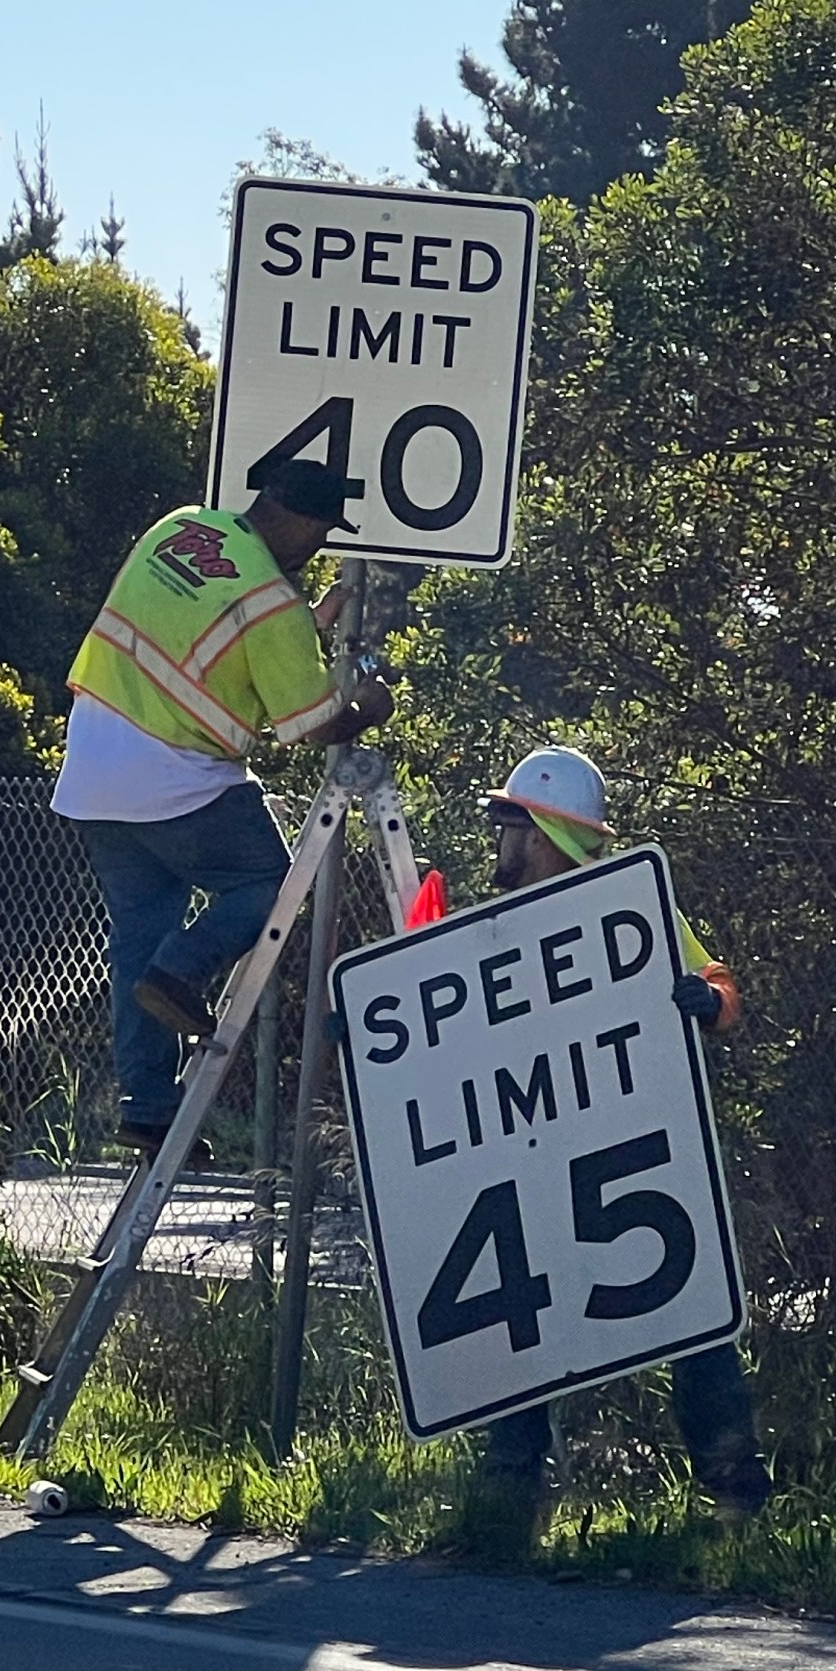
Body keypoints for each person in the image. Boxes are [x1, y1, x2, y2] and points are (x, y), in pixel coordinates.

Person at [462, 745, 775, 1533]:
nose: (496, 842)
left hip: (630, 1156)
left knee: (684, 1309)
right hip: (530, 1160)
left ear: (540, 833)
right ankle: (507, 1495)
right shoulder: (490, 928)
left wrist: (705, 1004)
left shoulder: (630, 908)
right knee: (522, 1311)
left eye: (507, 825)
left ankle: (734, 1495)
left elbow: (723, 986)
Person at [51, 460, 394, 1150]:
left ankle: (146, 1105)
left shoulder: (182, 527)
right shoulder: (275, 608)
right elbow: (310, 727)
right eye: (321, 531)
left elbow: (214, 623)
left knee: (137, 942)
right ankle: (185, 970)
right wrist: (369, 706)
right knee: (272, 885)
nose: (319, 546)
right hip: (173, 777)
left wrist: (309, 619)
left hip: (91, 766)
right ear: (296, 520)